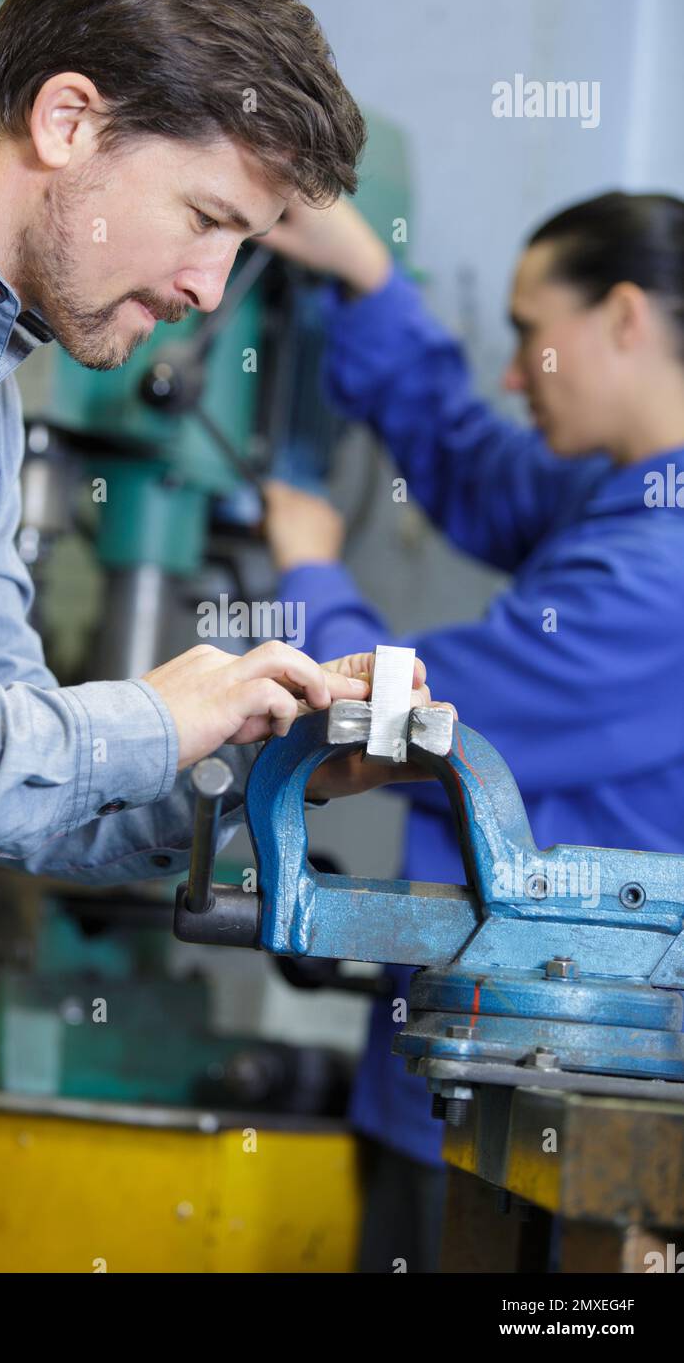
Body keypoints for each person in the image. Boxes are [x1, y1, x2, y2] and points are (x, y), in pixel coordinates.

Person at [0, 0, 444, 1258]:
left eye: (246, 249)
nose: (214, 291)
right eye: (207, 218)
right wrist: (136, 721)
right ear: (66, 122)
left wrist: (246, 776)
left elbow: (15, 762)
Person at [263, 189, 684, 1271]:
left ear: (624, 317)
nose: (511, 373)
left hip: (544, 1097)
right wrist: (365, 282)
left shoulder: (660, 576)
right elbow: (476, 468)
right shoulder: (630, 497)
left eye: (527, 331)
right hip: (495, 1073)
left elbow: (417, 715)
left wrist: (308, 569)